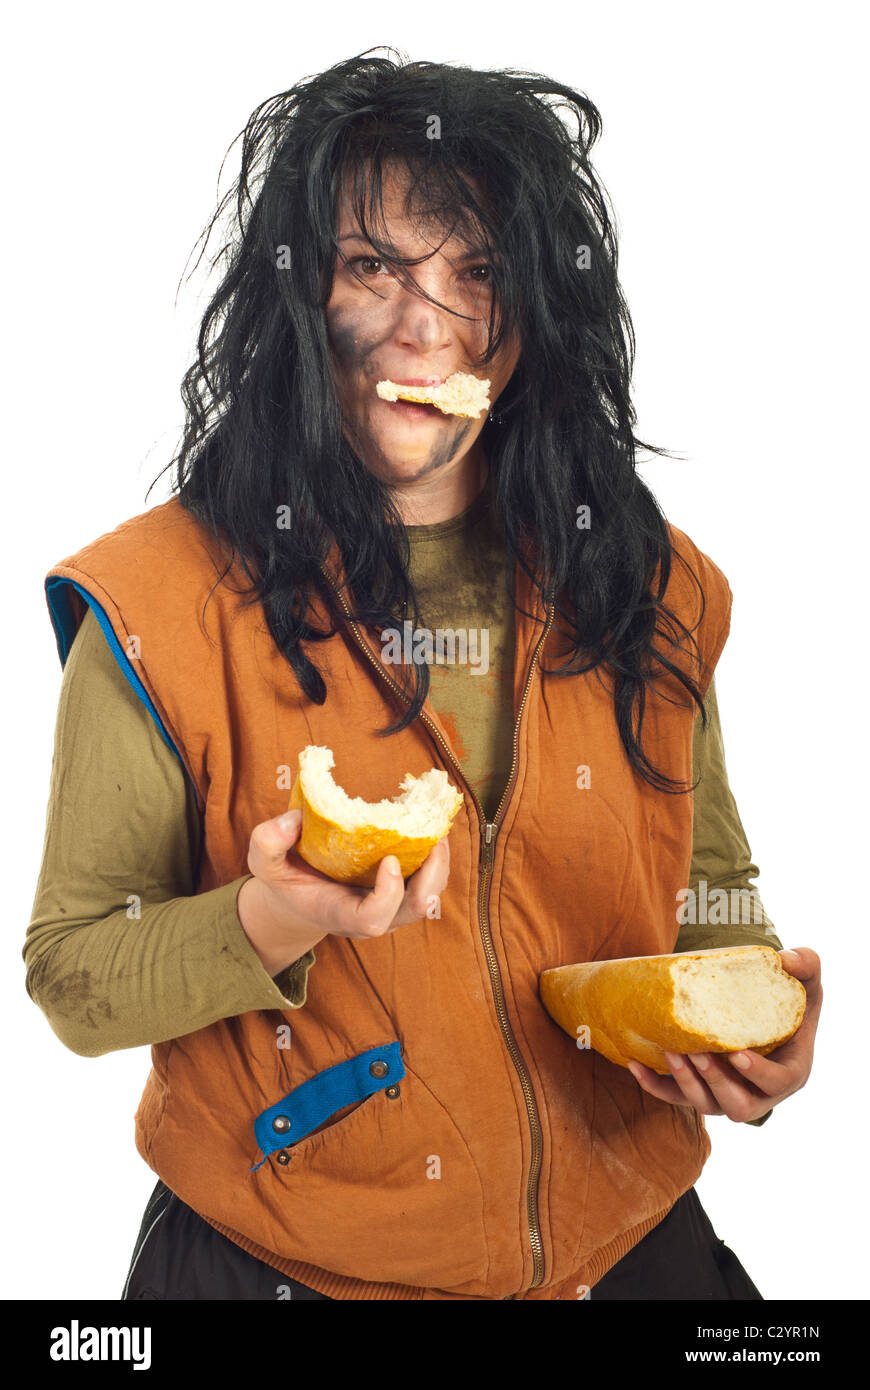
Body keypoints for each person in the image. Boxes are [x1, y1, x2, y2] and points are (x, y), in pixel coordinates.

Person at [25, 48, 821, 1302]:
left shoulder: (644, 575)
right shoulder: (160, 598)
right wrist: (276, 914)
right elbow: (75, 969)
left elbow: (708, 888)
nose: (425, 325)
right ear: (300, 303)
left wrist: (748, 1026)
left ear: (530, 322)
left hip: (629, 1255)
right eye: (371, 268)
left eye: (478, 274)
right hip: (287, 1265)